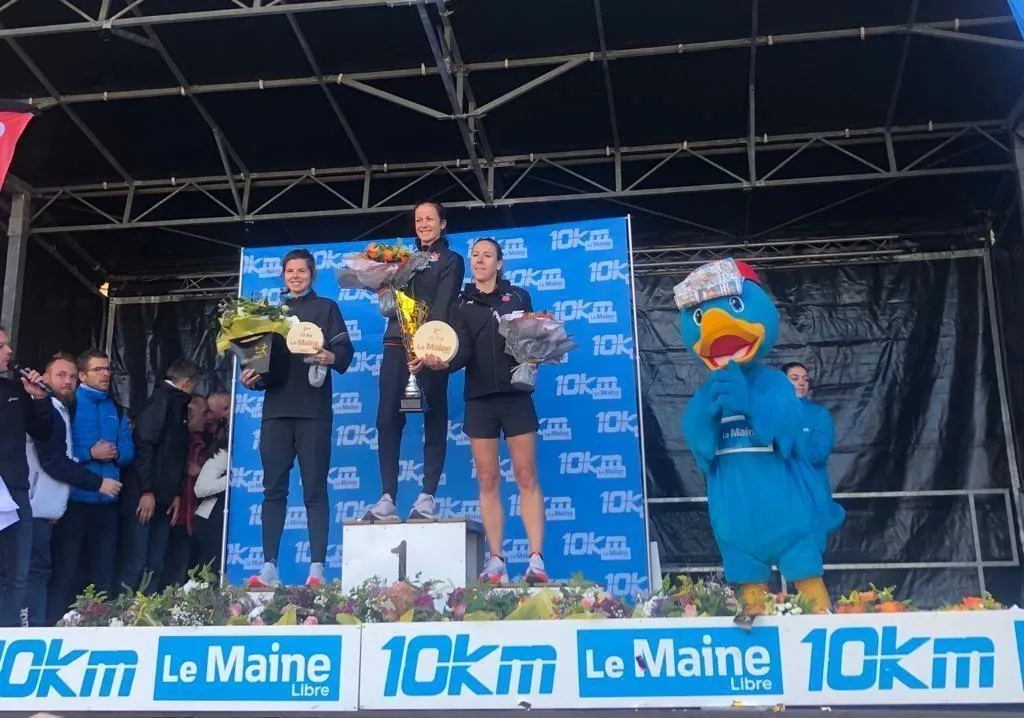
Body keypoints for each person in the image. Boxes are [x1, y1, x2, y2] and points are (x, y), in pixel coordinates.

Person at [418, 238, 548, 585]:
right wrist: (439, 362)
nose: (479, 260)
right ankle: (496, 560)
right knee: (488, 478)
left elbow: (532, 342)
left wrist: (536, 357)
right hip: (478, 399)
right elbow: (461, 353)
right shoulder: (462, 303)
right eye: (475, 255)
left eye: (487, 255)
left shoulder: (518, 297)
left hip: (516, 396)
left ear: (499, 263)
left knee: (526, 474)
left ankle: (536, 559)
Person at [241, 248, 355, 588]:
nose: (295, 276)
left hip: (313, 413)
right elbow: (260, 364)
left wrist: (329, 355)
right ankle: (269, 568)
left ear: (312, 274)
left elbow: (345, 353)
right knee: (273, 490)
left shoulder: (326, 308)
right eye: (289, 271)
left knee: (315, 491)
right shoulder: (268, 313)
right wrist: (252, 377)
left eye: (301, 271)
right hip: (276, 412)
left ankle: (317, 569)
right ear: (282, 275)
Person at [364, 201, 466, 522]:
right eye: (419, 220)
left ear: (443, 224)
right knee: (386, 419)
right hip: (395, 342)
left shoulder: (451, 260)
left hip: (430, 347)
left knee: (434, 417)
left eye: (429, 219)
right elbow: (389, 302)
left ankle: (427, 497)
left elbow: (444, 303)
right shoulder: (401, 259)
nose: (423, 224)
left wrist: (424, 345)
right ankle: (387, 498)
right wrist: (381, 282)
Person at [25, 353, 121, 626]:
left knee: (50, 572)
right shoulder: (46, 408)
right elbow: (55, 461)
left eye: (70, 376)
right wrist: (98, 481)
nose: (67, 382)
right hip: (34, 509)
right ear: (44, 378)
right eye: (60, 375)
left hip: (49, 509)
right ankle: (38, 635)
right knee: (39, 576)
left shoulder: (60, 407)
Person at [49, 349, 133, 618]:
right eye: (99, 369)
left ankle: (102, 627)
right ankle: (55, 624)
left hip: (108, 503)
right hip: (75, 501)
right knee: (67, 568)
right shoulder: (69, 404)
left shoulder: (116, 407)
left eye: (108, 369)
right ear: (82, 376)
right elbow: (58, 452)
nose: (106, 374)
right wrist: (90, 454)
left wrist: (117, 454)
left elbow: (129, 450)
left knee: (104, 571)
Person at [119, 359, 200, 594]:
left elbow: (174, 455)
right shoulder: (161, 401)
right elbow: (145, 446)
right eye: (195, 385)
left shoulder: (177, 403)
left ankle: (148, 619)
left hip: (164, 497)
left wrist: (175, 493)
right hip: (144, 497)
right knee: (136, 563)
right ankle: (121, 618)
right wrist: (146, 490)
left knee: (155, 564)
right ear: (186, 382)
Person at [0, 327, 53, 627]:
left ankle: (5, 641)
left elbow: (44, 433)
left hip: (14, 492)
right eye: (3, 346)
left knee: (17, 576)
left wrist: (40, 399)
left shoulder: (14, 391)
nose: (10, 352)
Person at [782, 362, 845, 549]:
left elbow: (820, 453)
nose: (801, 383)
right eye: (795, 378)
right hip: (779, 493)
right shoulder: (771, 415)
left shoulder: (819, 414)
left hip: (810, 494)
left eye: (805, 379)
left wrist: (785, 452)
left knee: (807, 556)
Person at [160, 393, 210, 589]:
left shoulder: (202, 442)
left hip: (191, 518)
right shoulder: (173, 440)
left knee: (182, 572)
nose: (208, 418)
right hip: (168, 515)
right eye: (204, 413)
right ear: (190, 414)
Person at [193, 432, 229, 579]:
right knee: (208, 572)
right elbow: (199, 489)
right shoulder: (223, 454)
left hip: (229, 524)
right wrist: (230, 479)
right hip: (210, 520)